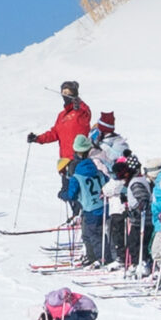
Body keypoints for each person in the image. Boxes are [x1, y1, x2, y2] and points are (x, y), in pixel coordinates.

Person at [27, 81, 93, 209]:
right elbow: (54, 133)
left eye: (68, 93)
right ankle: (75, 213)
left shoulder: (80, 112)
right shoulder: (61, 115)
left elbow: (86, 115)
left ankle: (82, 213)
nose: (65, 95)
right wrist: (37, 138)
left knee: (80, 189)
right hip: (65, 160)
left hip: (79, 157)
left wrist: (79, 103)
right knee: (67, 190)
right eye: (63, 92)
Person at [66, 135, 107, 266]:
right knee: (97, 233)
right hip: (102, 205)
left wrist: (64, 194)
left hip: (89, 208)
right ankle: (96, 256)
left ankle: (99, 258)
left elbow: (71, 194)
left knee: (91, 234)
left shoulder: (76, 175)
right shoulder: (97, 171)